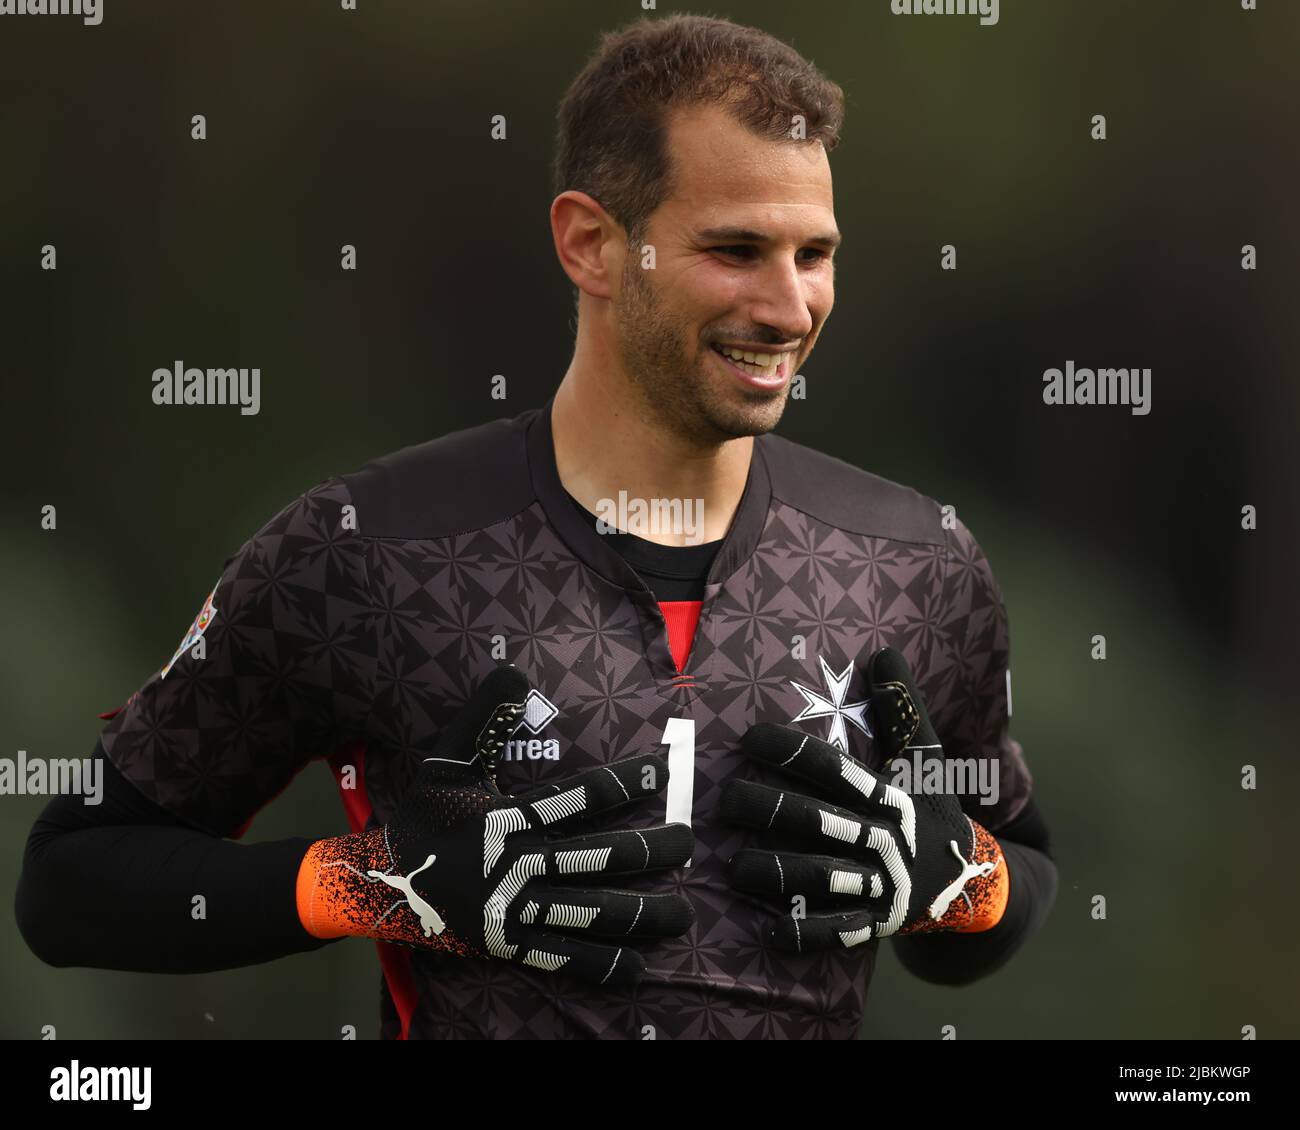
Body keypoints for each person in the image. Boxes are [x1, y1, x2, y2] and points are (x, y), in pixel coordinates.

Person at [16, 13, 1056, 1039]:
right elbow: (71, 883)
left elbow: (1010, 888)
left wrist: (958, 879)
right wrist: (375, 882)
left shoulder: (921, 563)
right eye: (736, 248)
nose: (789, 306)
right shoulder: (365, 548)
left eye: (814, 253)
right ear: (592, 243)